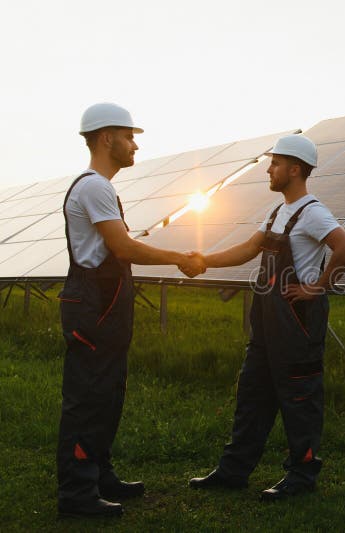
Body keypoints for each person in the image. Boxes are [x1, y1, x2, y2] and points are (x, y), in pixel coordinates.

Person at [188, 134, 345, 501]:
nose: (269, 168)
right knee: (252, 394)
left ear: (294, 169)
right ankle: (233, 471)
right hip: (267, 321)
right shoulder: (277, 212)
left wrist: (318, 288)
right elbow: (249, 249)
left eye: (276, 163)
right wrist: (203, 260)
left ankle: (302, 475)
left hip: (297, 321)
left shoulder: (313, 212)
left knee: (300, 397)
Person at [57, 103, 206, 518]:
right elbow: (123, 248)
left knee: (107, 394)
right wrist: (179, 258)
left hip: (102, 306)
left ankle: (100, 475)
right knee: (88, 398)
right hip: (94, 308)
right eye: (129, 135)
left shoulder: (99, 187)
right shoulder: (94, 187)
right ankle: (76, 493)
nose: (134, 143)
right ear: (106, 138)